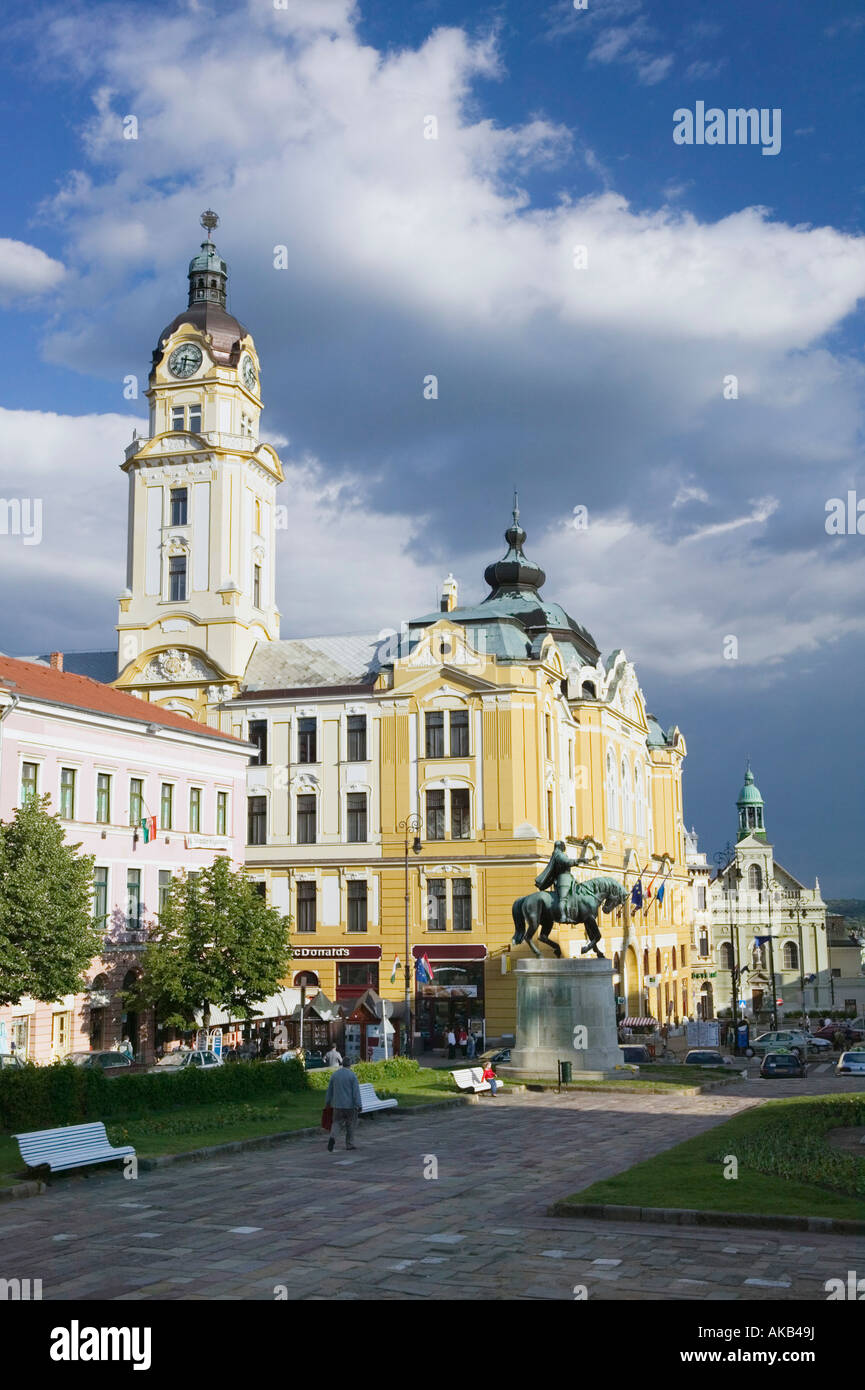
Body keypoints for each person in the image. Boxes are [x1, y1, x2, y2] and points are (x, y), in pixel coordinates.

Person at [324, 1059, 363, 1152]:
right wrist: (359, 1104)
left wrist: (328, 1102)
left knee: (336, 1123)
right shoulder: (352, 1076)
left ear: (342, 1064)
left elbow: (330, 1090)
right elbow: (355, 1093)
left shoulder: (335, 1075)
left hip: (337, 1105)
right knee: (350, 1124)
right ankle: (349, 1144)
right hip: (350, 1106)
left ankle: (333, 1137)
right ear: (350, 1065)